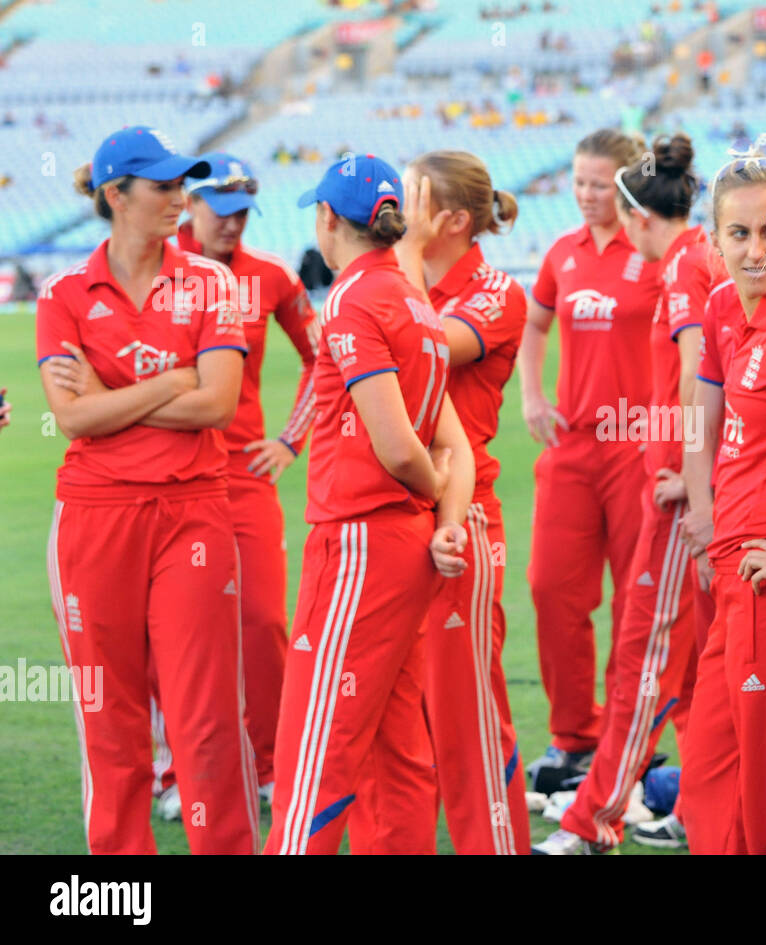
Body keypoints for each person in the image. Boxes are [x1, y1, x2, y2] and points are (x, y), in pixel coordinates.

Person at [36, 127, 258, 854]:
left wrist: (119, 394)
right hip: (94, 520)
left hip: (193, 512)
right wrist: (172, 382)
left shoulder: (214, 282)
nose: (178, 199)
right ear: (114, 195)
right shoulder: (64, 293)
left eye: (179, 185)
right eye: (162, 186)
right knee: (112, 716)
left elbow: (217, 405)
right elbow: (72, 417)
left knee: (206, 717)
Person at [264, 154, 476, 855]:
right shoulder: (413, 298)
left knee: (315, 750)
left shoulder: (355, 299)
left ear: (327, 219)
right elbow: (447, 442)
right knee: (396, 750)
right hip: (403, 547)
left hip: (358, 542)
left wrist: (431, 480)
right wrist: (441, 502)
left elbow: (396, 446)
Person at [534, 132, 719, 854]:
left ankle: (596, 817)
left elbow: (695, 376)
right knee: (698, 664)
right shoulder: (692, 257)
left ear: (638, 214)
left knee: (646, 656)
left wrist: (691, 478)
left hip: (673, 495)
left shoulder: (679, 269)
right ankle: (700, 808)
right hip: (661, 478)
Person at [148, 152, 317, 814]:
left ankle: (273, 763)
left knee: (263, 618)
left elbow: (323, 357)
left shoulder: (270, 274)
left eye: (242, 212)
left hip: (242, 473)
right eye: (220, 211)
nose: (232, 224)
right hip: (167, 472)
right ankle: (174, 771)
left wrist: (289, 439)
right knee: (172, 631)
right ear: (188, 204)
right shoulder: (155, 274)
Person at [671, 146, 766, 854]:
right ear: (712, 241)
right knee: (708, 767)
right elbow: (702, 415)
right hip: (728, 556)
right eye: (740, 233)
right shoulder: (722, 304)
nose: (757, 251)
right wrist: (702, 512)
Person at [388, 150, 530, 854]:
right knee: (391, 713)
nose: (394, 203)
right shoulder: (393, 277)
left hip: (461, 514)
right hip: (384, 515)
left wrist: (403, 255)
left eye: (411, 195)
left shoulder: (497, 291)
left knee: (466, 712)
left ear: (453, 219)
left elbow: (420, 346)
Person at [518, 129, 662, 788]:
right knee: (551, 589)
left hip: (639, 443)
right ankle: (574, 736)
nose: (585, 195)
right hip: (572, 448)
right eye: (579, 182)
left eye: (598, 184)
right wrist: (532, 394)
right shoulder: (561, 254)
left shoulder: (656, 252)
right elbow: (536, 323)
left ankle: (630, 738)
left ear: (628, 186)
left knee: (639, 601)